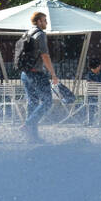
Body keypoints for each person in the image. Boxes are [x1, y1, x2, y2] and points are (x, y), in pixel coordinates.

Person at [18, 10, 58, 143]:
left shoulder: (27, 33)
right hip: (36, 73)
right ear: (38, 21)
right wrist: (53, 74)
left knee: (33, 103)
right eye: (45, 20)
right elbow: (45, 56)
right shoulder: (40, 35)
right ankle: (28, 125)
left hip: (25, 73)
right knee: (47, 102)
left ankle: (32, 137)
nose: (46, 23)